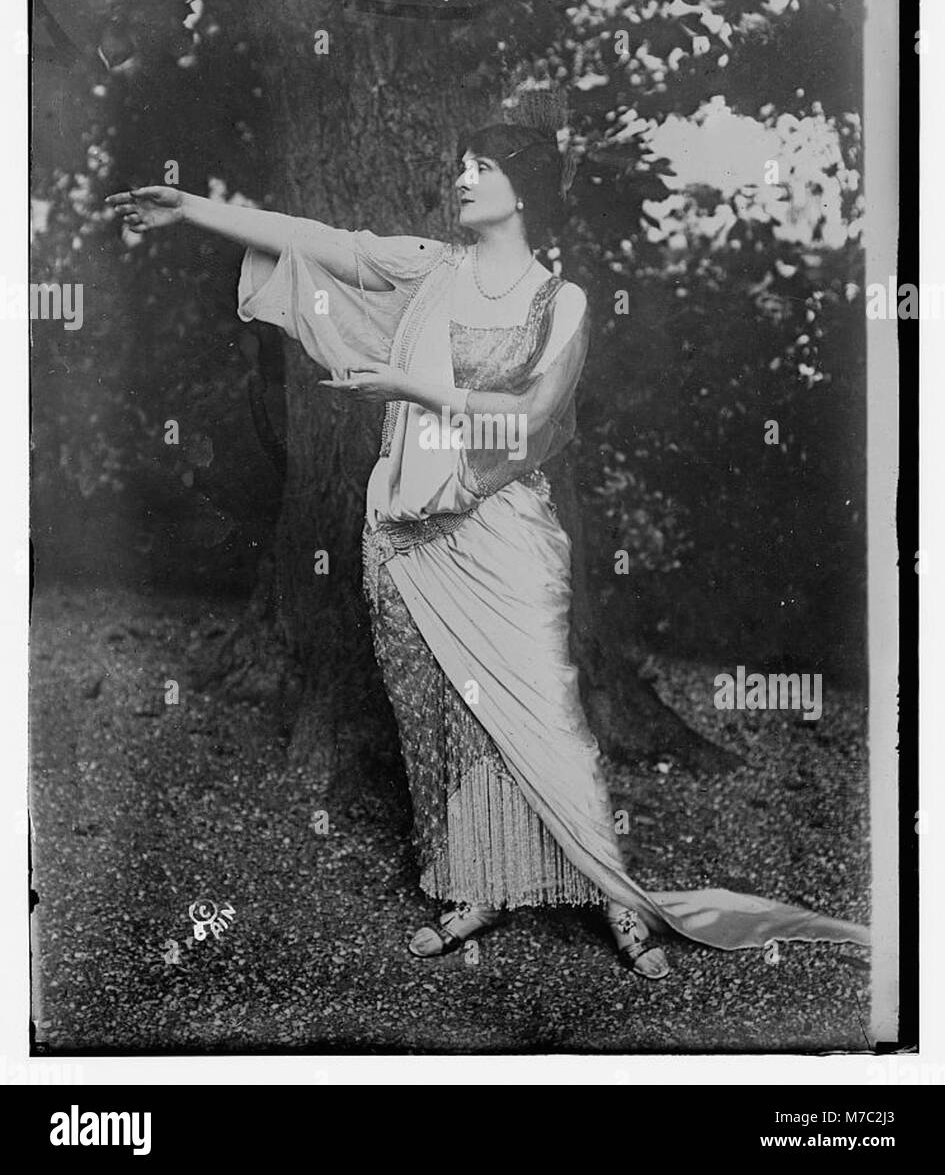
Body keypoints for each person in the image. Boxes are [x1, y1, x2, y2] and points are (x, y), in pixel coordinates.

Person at [106, 112, 869, 982]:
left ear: (523, 187)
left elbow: (534, 418)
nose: (462, 178)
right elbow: (311, 240)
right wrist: (190, 209)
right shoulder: (430, 269)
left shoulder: (563, 300)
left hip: (501, 530)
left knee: (546, 717)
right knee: (432, 713)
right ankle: (472, 888)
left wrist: (411, 386)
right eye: (461, 164)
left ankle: (616, 899)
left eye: (482, 165)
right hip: (404, 536)